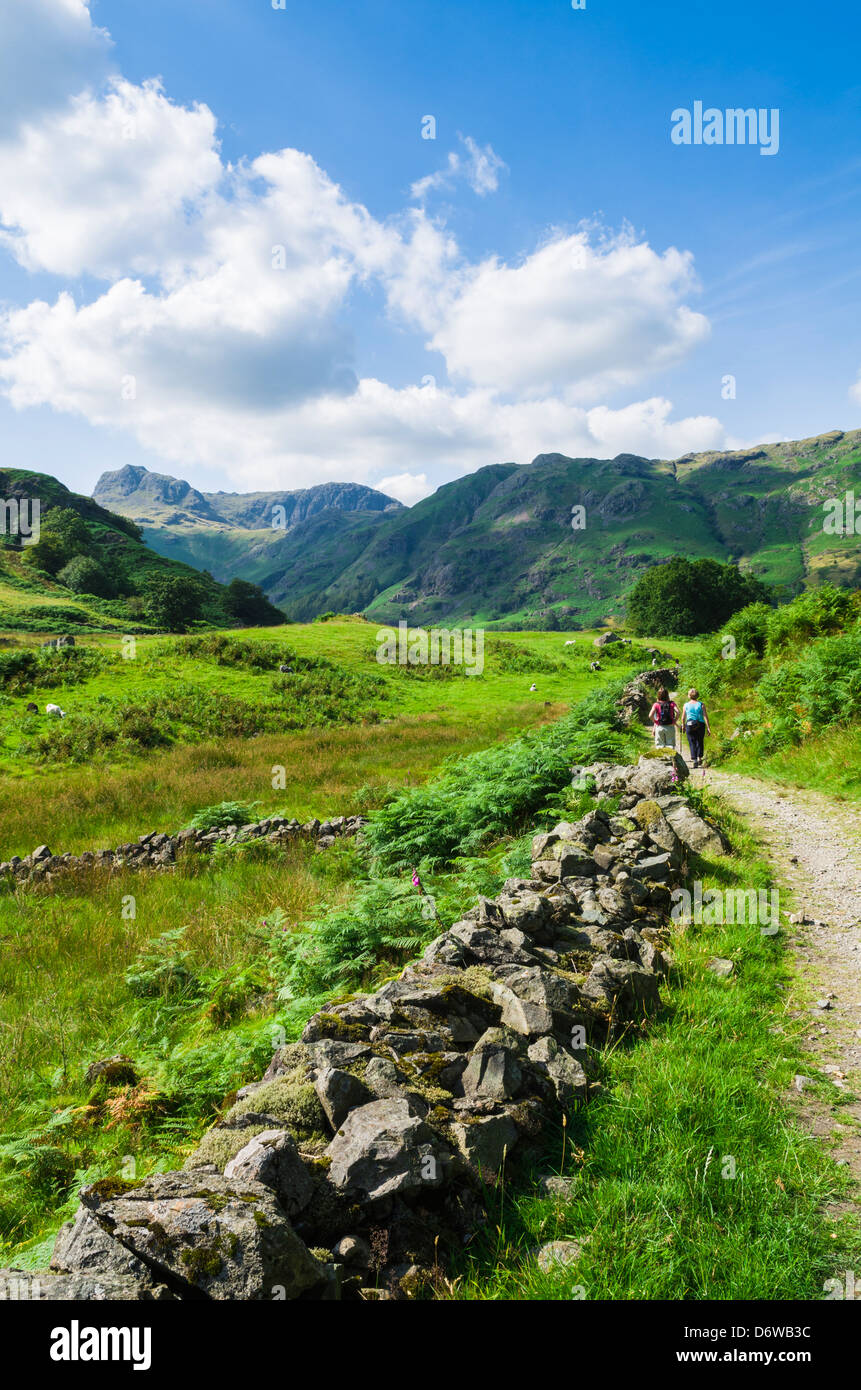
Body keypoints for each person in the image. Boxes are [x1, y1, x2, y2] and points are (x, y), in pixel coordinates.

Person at [682, 687, 711, 768]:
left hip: (689, 725)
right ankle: (699, 758)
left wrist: (683, 726)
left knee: (692, 742)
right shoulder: (701, 704)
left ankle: (694, 760)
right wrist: (708, 727)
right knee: (699, 741)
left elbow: (683, 717)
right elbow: (705, 716)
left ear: (689, 696)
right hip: (700, 724)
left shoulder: (686, 705)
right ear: (697, 695)